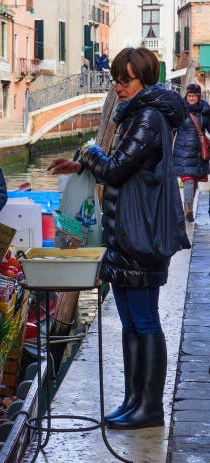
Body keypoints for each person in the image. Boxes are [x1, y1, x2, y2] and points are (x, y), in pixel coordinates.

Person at [48, 47, 189, 430]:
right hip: (129, 234)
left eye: (125, 80)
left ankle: (150, 407)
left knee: (144, 320)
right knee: (130, 321)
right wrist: (81, 164)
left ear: (144, 78)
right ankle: (133, 400)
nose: (118, 87)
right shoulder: (138, 114)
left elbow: (116, 168)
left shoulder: (147, 116)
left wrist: (90, 151)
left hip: (141, 235)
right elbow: (126, 168)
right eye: (116, 80)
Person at [174, 83, 210, 222]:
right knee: (188, 180)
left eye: (194, 96)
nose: (191, 98)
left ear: (199, 96)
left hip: (199, 152)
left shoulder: (205, 111)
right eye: (189, 96)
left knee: (194, 181)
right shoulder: (180, 110)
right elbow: (172, 128)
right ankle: (187, 209)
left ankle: (189, 207)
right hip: (183, 151)